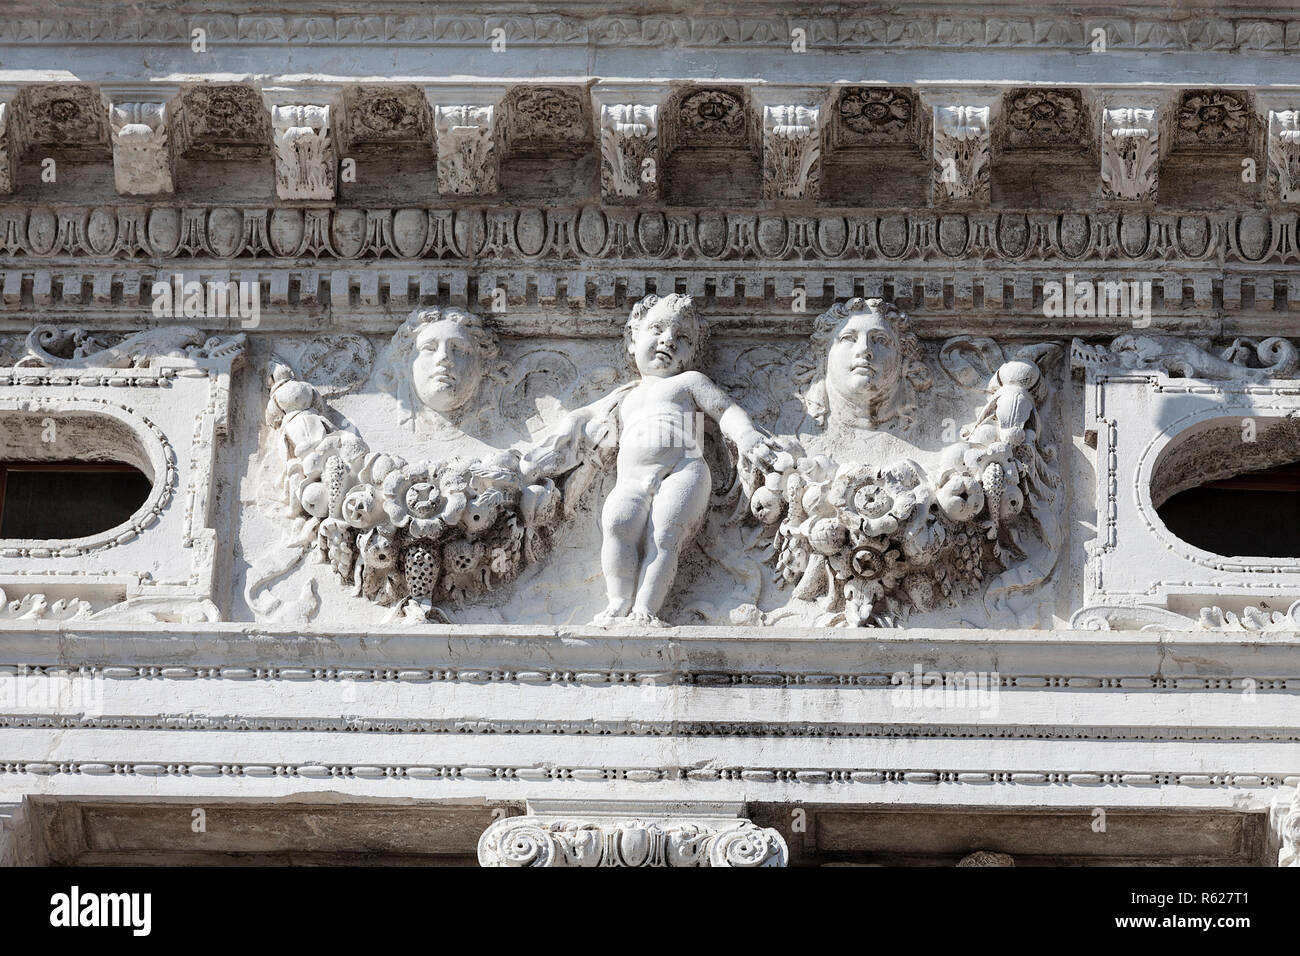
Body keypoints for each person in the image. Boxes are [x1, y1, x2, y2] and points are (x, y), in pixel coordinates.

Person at [522, 293, 779, 626]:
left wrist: (746, 436)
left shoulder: (688, 383)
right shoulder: (622, 399)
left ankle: (645, 608)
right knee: (617, 524)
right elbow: (584, 427)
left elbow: (724, 410)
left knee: (665, 535)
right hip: (632, 478)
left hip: (683, 469)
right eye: (657, 329)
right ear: (632, 339)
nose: (668, 340)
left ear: (692, 356)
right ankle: (618, 602)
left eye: (683, 338)